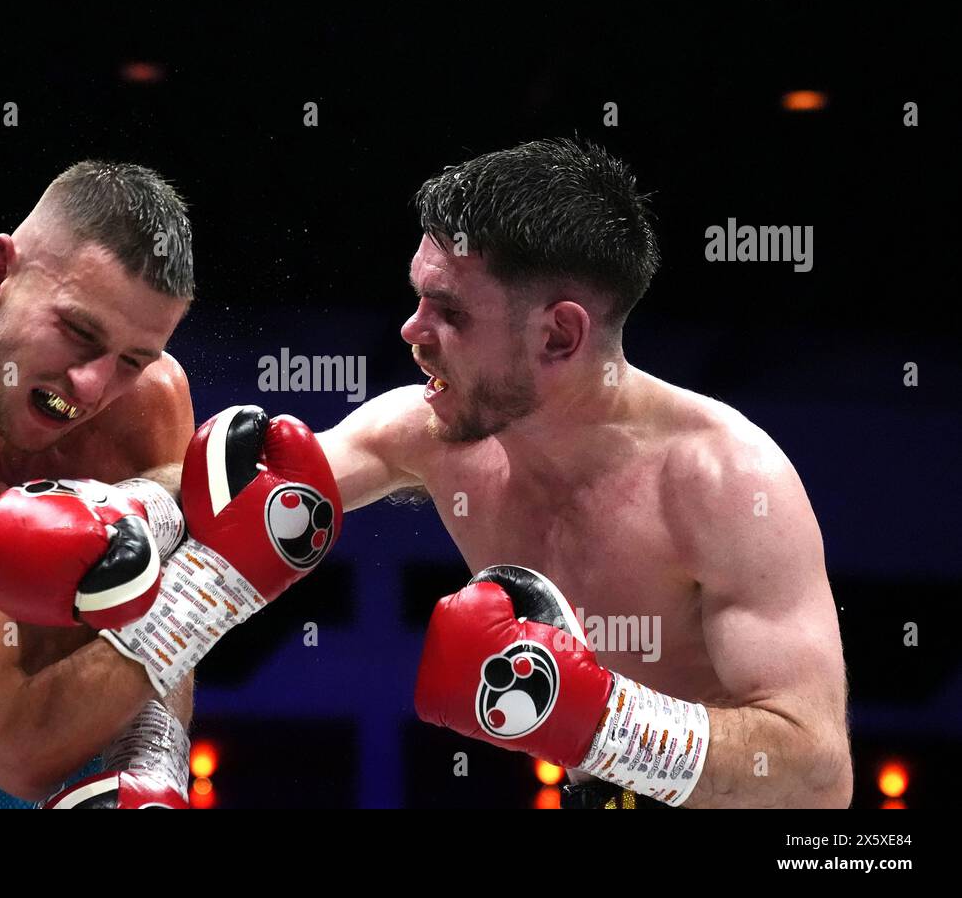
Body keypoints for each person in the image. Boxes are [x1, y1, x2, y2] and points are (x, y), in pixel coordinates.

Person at [0, 159, 341, 808]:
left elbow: (155, 648)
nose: (92, 386)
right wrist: (220, 576)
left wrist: (153, 763)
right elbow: (21, 746)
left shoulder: (147, 399)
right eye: (78, 332)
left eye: (132, 358)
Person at [318, 138, 852, 807]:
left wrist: (599, 720)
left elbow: (816, 774)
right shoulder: (434, 430)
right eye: (418, 299)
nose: (410, 329)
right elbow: (236, 499)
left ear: (558, 336)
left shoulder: (724, 479)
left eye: (449, 311)